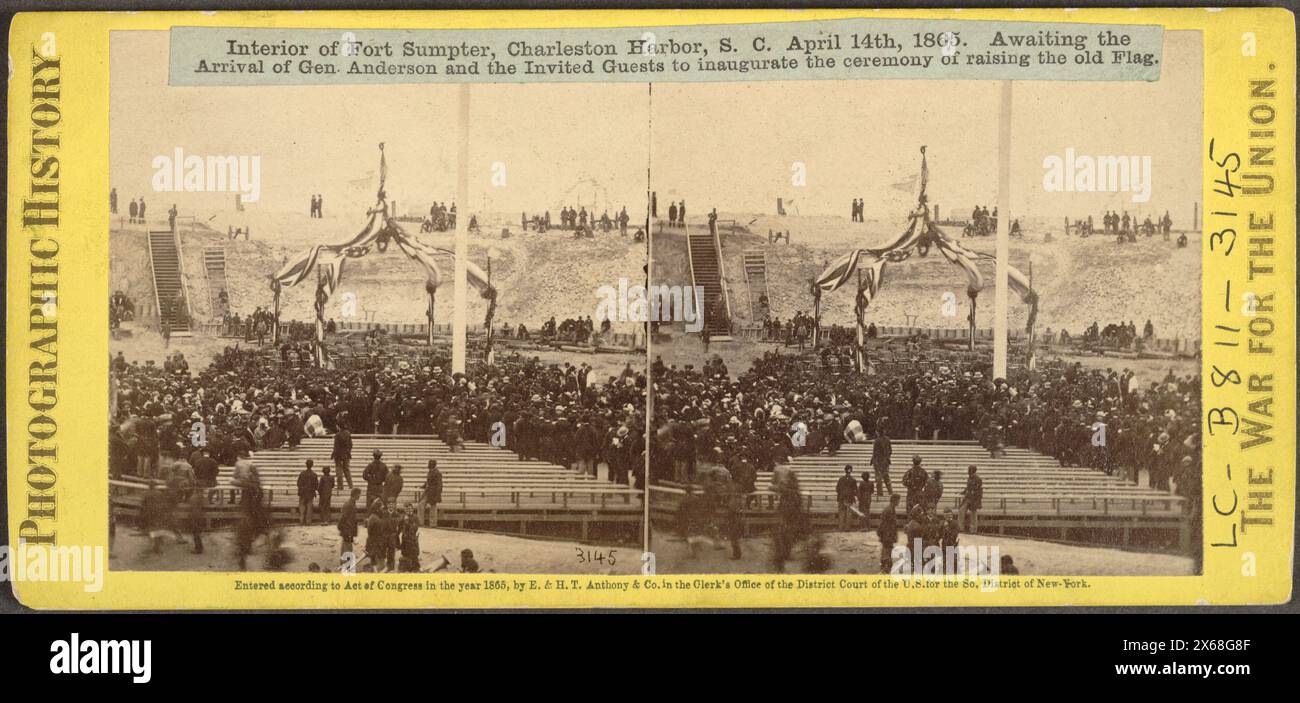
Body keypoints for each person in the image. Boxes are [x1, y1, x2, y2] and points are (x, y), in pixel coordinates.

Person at [876, 493, 900, 573]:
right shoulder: (889, 510)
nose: (899, 502)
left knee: (887, 550)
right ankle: (885, 568)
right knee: (887, 551)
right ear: (895, 501)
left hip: (888, 534)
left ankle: (886, 567)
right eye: (898, 500)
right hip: (887, 534)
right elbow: (884, 524)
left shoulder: (890, 509)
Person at [338, 488, 361, 563]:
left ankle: (343, 564)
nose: (359, 496)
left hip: (348, 530)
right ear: (355, 494)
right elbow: (343, 518)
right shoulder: (349, 504)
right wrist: (342, 529)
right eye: (359, 494)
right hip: (347, 530)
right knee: (348, 549)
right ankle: (346, 566)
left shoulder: (351, 503)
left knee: (345, 547)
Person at [959, 465, 983, 533]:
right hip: (968, 498)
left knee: (973, 514)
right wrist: (963, 492)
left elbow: (979, 491)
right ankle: (961, 528)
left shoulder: (978, 479)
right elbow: (968, 487)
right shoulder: (969, 478)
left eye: (970, 470)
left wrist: (978, 502)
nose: (968, 471)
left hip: (974, 499)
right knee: (961, 510)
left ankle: (973, 530)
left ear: (973, 471)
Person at [871, 421, 893, 496]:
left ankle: (880, 493)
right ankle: (890, 491)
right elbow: (890, 451)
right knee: (886, 477)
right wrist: (887, 457)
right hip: (886, 461)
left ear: (878, 432)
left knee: (878, 478)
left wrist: (874, 461)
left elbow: (875, 453)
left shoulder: (877, 441)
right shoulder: (888, 439)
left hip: (878, 461)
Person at [362, 449, 387, 514]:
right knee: (380, 503)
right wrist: (381, 479)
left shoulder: (370, 465)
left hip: (371, 487)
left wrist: (371, 479)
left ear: (373, 456)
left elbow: (364, 475)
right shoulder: (383, 466)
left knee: (370, 504)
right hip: (380, 487)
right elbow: (387, 477)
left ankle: (369, 518)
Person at [296, 459, 319, 525]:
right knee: (309, 506)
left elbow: (298, 483)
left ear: (306, 465)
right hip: (310, 492)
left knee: (302, 506)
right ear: (312, 465)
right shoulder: (314, 474)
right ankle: (308, 521)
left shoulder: (302, 473)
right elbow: (316, 485)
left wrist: (301, 489)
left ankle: (301, 520)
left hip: (302, 492)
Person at [835, 464, 858, 530]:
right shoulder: (853, 480)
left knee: (841, 512)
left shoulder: (841, 479)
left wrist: (841, 494)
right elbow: (855, 490)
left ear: (845, 470)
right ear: (851, 471)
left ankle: (841, 527)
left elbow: (837, 489)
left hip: (841, 498)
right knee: (849, 513)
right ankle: (847, 527)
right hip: (849, 498)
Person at [422, 459, 443, 527]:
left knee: (433, 508)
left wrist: (437, 496)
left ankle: (433, 524)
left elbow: (439, 485)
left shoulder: (438, 473)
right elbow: (429, 481)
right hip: (428, 492)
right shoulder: (430, 471)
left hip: (433, 493)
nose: (429, 465)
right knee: (420, 505)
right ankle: (420, 522)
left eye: (431, 464)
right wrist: (424, 486)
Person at [332, 424, 353, 489]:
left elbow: (336, 447)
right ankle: (350, 485)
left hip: (338, 455)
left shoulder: (337, 435)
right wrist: (348, 451)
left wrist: (333, 454)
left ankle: (340, 486)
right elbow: (351, 444)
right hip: (346, 454)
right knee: (346, 469)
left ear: (339, 426)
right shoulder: (348, 433)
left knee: (339, 470)